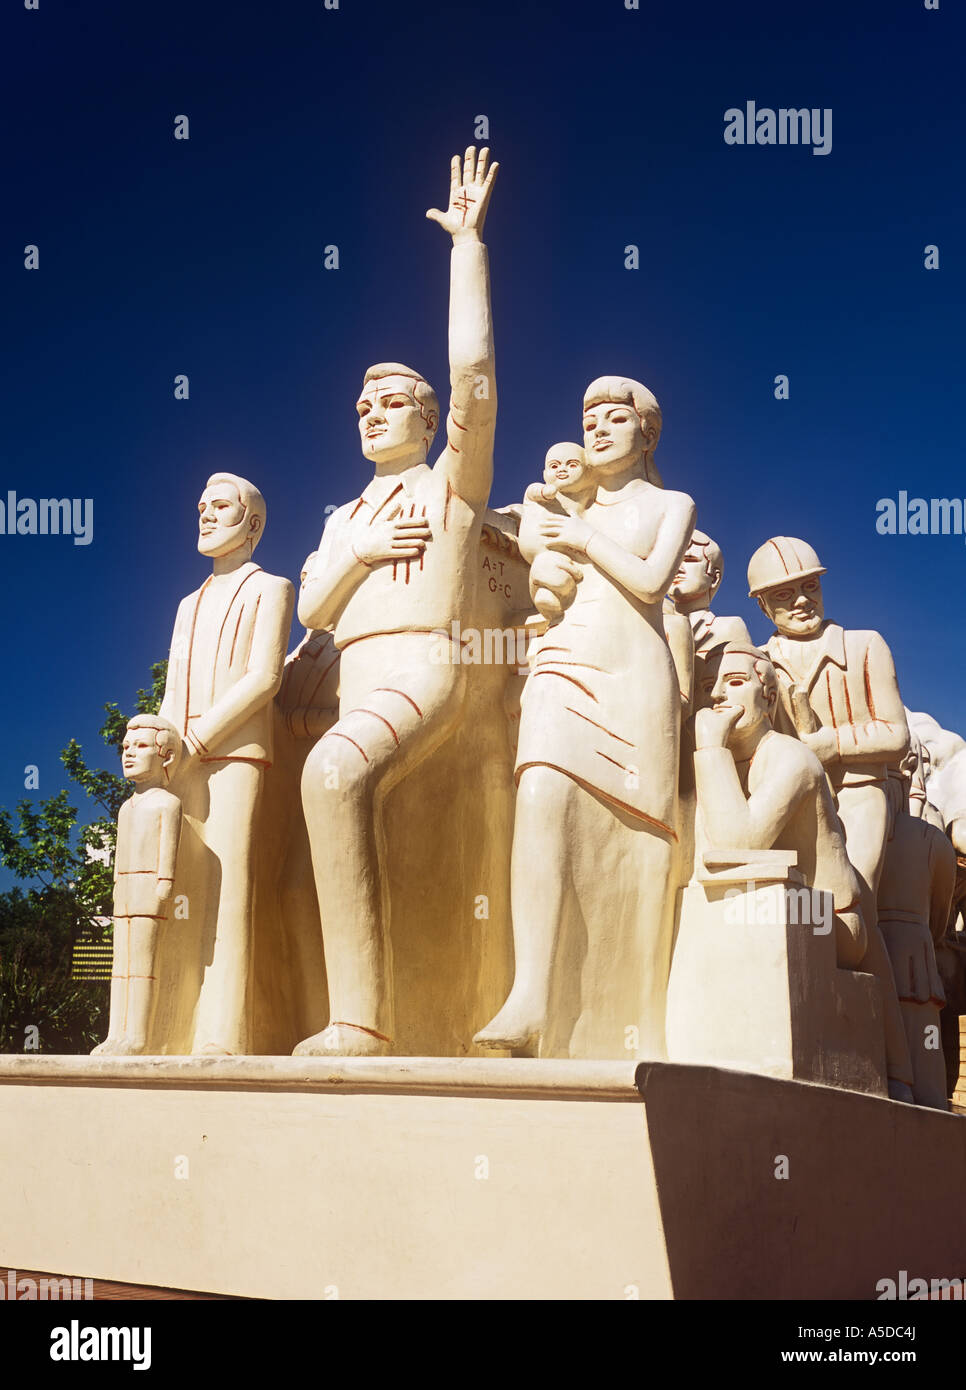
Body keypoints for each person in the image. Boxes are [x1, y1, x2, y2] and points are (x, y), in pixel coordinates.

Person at [295, 147, 499, 1057]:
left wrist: (467, 247)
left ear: (423, 416)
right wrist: (362, 552)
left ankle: (360, 1025)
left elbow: (477, 380)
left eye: (387, 401)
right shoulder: (344, 515)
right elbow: (310, 611)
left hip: (424, 666)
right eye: (359, 404)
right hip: (354, 675)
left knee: (332, 774)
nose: (367, 413)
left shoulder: (449, 486)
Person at [475, 376, 695, 1057]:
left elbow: (653, 580)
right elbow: (534, 575)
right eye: (588, 417)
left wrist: (580, 536)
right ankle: (531, 994)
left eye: (614, 418)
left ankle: (640, 1015)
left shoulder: (670, 503)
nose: (597, 428)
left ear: (646, 432)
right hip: (567, 657)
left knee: (644, 840)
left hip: (635, 676)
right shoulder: (560, 508)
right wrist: (546, 558)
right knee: (540, 791)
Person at [748, 535, 914, 1100]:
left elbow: (895, 735)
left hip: (863, 791)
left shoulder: (864, 645)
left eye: (809, 587)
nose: (801, 602)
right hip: (798, 796)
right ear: (763, 607)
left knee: (853, 902)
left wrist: (829, 746)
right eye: (784, 595)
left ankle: (895, 1070)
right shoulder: (759, 661)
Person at [159, 473, 294, 1055]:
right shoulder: (188, 604)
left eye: (220, 506)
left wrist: (199, 736)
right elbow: (173, 686)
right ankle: (163, 1027)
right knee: (178, 880)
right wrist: (163, 743)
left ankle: (222, 1032)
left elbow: (265, 676)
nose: (206, 515)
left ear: (253, 522)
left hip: (236, 753)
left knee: (227, 884)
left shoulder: (271, 588)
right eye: (201, 507)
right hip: (181, 756)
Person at [693, 643, 866, 967]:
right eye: (706, 687)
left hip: (826, 918)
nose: (716, 695)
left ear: (769, 696)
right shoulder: (723, 759)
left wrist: (710, 748)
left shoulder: (792, 757)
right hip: (761, 898)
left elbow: (736, 847)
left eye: (734, 681)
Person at [93, 715, 182, 1055]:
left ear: (166, 755)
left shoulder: (167, 803)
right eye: (126, 747)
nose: (128, 754)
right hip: (125, 892)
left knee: (143, 966)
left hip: (149, 892)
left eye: (141, 746)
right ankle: (115, 1034)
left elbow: (167, 851)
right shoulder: (125, 808)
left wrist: (164, 885)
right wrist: (117, 884)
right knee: (121, 966)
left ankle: (137, 1037)